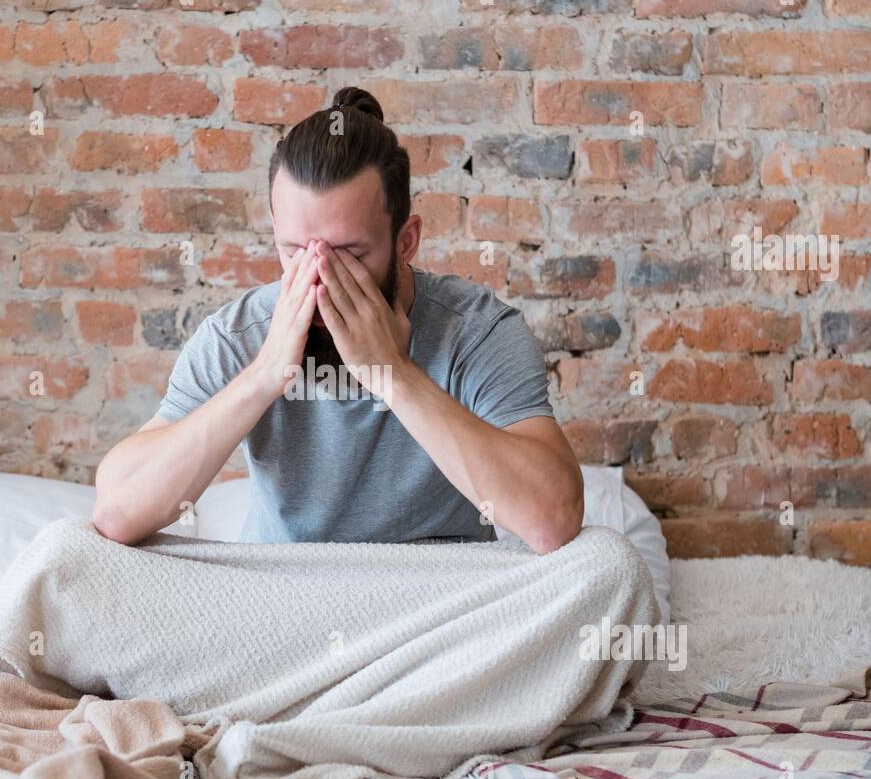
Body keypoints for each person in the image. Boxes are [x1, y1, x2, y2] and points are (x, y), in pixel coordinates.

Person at [93, 86, 584, 553]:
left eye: (349, 255)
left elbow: (553, 520)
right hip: (290, 590)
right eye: (295, 252)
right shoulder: (237, 334)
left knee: (611, 569)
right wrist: (264, 376)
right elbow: (116, 513)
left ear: (405, 241)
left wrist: (394, 373)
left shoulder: (476, 331)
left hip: (437, 597)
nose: (320, 280)